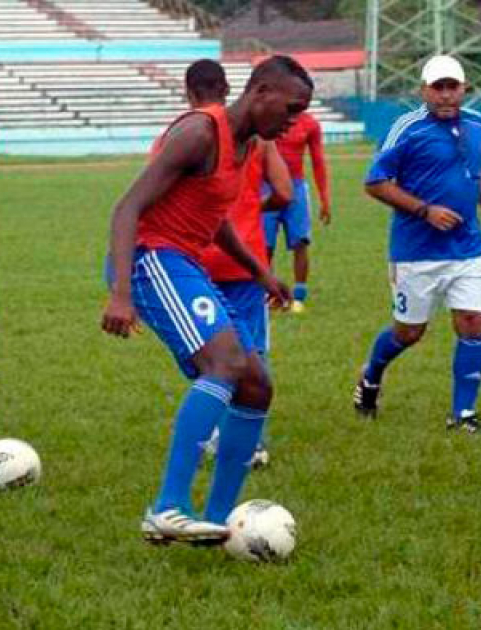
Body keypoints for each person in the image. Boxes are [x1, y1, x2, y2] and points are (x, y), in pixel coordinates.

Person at [102, 55, 310, 545]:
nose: (294, 121)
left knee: (257, 384)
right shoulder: (200, 132)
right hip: (150, 259)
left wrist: (260, 271)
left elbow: (212, 216)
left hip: (184, 263)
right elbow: (127, 206)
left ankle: (217, 520)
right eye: (291, 108)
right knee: (226, 362)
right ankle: (167, 506)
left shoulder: (247, 143)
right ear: (260, 92)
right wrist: (120, 294)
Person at [353, 55, 481, 433]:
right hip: (416, 252)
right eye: (437, 88)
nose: (446, 95)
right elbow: (375, 182)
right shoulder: (407, 128)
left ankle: (463, 415)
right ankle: (371, 376)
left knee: (473, 323)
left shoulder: (476, 124)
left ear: (464, 88)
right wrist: (425, 211)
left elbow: (478, 165)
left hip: (467, 249)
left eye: (452, 87)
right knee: (409, 333)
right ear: (423, 91)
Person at [181, 60, 294, 469]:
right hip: (243, 257)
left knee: (205, 350)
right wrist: (251, 209)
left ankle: (215, 431)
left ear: (189, 92)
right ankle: (252, 441)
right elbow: (284, 192)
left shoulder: (187, 133)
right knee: (251, 349)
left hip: (194, 257)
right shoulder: (259, 139)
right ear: (230, 89)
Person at [265, 110, 331, 313]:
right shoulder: (268, 119)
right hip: (266, 185)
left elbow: (318, 160)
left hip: (296, 188)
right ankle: (270, 294)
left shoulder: (310, 123)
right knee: (265, 246)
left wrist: (324, 198)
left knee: (301, 242)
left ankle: (299, 297)